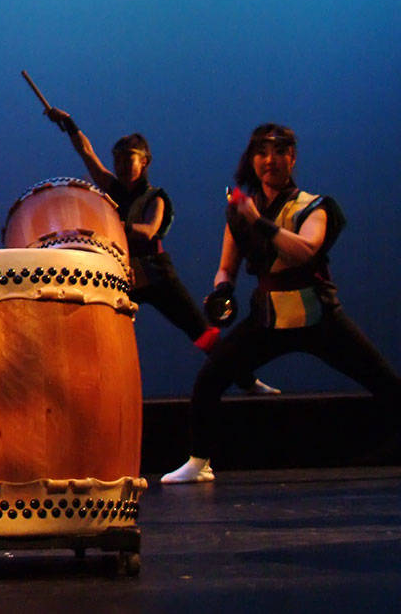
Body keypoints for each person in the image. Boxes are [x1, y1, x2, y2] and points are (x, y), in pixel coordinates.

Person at [162, 124, 401, 483]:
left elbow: (305, 251)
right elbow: (226, 267)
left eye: (278, 152)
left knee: (383, 380)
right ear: (252, 159)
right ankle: (199, 461)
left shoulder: (315, 206)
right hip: (268, 317)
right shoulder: (240, 211)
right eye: (261, 152)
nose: (269, 160)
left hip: (318, 315)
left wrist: (258, 221)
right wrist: (222, 290)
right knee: (211, 378)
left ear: (292, 157)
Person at [44, 106, 277, 395]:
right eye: (117, 160)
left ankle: (247, 382)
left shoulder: (156, 197)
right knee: (88, 325)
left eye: (128, 159)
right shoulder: (113, 189)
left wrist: (111, 225)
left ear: (144, 162)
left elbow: (149, 231)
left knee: (201, 332)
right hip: (122, 273)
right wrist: (69, 123)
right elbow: (87, 154)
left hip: (156, 274)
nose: (121, 166)